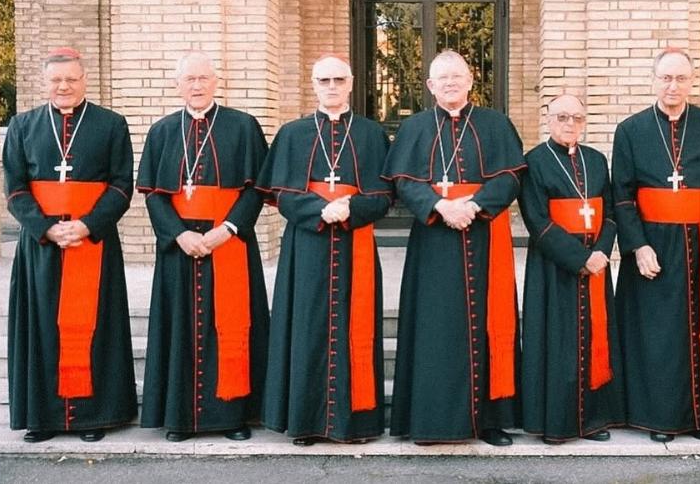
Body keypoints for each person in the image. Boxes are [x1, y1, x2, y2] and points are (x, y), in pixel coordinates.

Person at [382, 49, 526, 446]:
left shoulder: (496, 124)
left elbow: (511, 178)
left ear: (470, 80)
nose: (450, 83)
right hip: (433, 240)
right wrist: (440, 206)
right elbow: (403, 182)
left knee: (488, 325)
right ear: (430, 85)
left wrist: (474, 206)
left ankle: (489, 421)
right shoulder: (414, 127)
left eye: (457, 76)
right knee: (434, 328)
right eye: (442, 77)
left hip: (484, 236)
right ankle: (430, 422)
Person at [3, 47, 137, 443]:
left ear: (84, 80)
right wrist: (45, 228)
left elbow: (121, 184)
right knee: (42, 327)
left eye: (71, 79)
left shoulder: (111, 124)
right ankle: (41, 417)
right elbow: (14, 188)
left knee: (94, 326)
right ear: (44, 82)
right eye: (56, 80)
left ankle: (92, 417)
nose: (64, 86)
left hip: (92, 241)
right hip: (41, 245)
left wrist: (87, 225)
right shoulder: (23, 125)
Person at [258, 55, 392, 445]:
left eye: (338, 79)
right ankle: (306, 423)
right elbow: (281, 194)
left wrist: (352, 208)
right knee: (306, 328)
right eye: (323, 80)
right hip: (307, 246)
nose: (331, 86)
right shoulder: (292, 133)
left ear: (350, 83)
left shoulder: (371, 134)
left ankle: (355, 424)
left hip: (355, 243)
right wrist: (320, 209)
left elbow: (386, 195)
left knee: (356, 327)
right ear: (313, 84)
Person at [137, 51, 269, 442]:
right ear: (177, 85)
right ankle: (180, 419)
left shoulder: (243, 126)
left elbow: (255, 190)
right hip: (180, 246)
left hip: (229, 243)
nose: (197, 86)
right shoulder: (162, 131)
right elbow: (153, 194)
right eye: (189, 79)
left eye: (203, 78)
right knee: (180, 329)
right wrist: (179, 234)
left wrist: (227, 228)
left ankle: (232, 416)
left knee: (231, 326)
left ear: (216, 81)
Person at [612, 47, 700, 442]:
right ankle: (659, 419)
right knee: (658, 335)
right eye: (666, 78)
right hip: (654, 245)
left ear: (692, 81)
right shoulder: (630, 129)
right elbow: (622, 196)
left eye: (681, 78)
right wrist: (637, 246)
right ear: (654, 80)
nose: (673, 86)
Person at [519, 94, 624, 444]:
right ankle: (557, 423)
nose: (570, 124)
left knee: (594, 337)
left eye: (577, 118)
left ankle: (591, 420)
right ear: (548, 119)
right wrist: (580, 259)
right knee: (558, 343)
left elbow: (610, 213)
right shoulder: (534, 161)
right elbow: (537, 221)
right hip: (554, 267)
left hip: (596, 264)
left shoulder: (596, 160)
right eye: (562, 117)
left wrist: (601, 252)